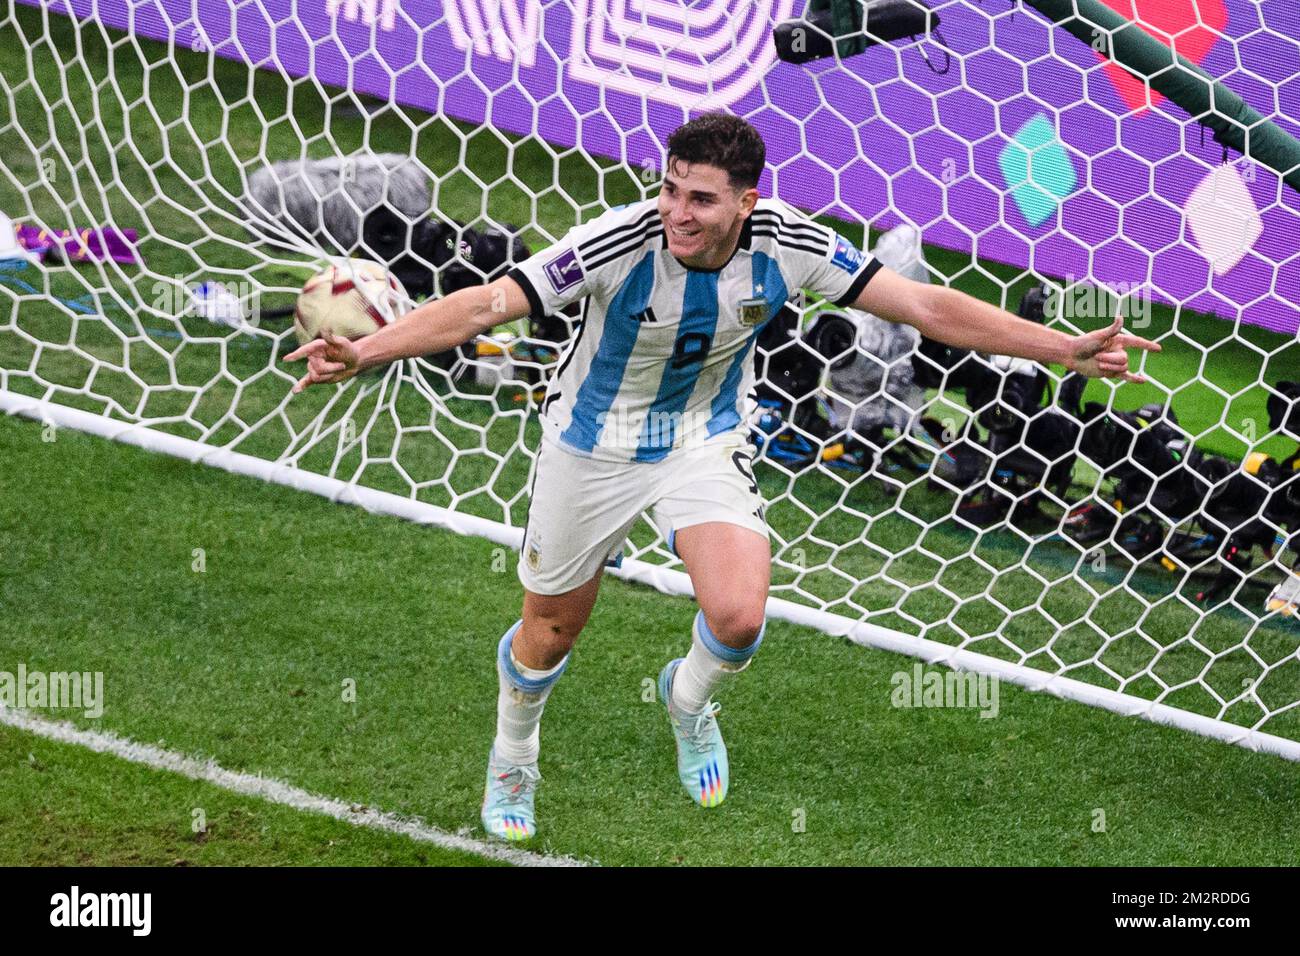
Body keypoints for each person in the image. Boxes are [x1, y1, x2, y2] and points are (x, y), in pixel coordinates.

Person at [284, 113, 1160, 841]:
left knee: (738, 617)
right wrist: (363, 350)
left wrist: (1061, 345)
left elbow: (926, 307)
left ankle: (688, 699)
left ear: (748, 201)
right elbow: (486, 305)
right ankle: (514, 758)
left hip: (701, 438)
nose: (678, 210)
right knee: (549, 634)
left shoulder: (790, 245)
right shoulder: (616, 242)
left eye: (701, 198)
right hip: (591, 445)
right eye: (671, 188)